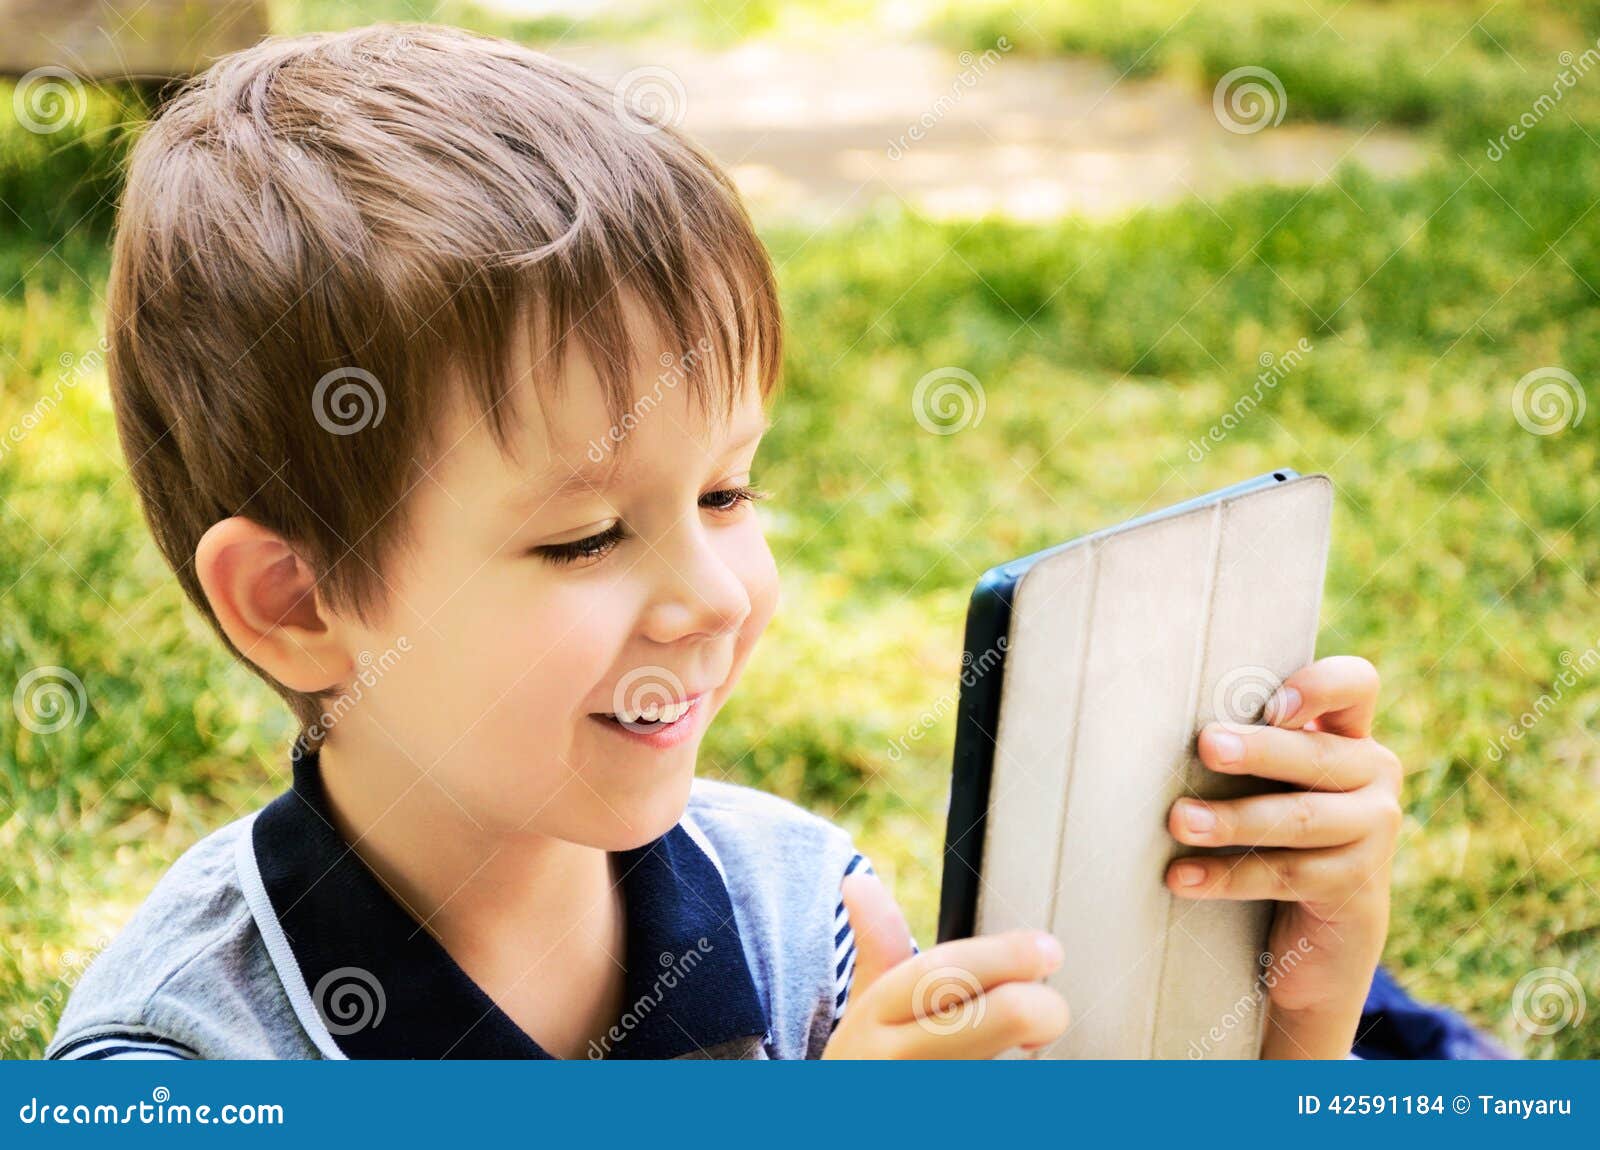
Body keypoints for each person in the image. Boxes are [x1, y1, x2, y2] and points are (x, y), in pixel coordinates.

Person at [48, 23, 1415, 1060]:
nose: (711, 594)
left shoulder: (797, 911)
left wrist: (1287, 1015)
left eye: (726, 493)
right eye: (586, 537)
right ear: (295, 600)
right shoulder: (180, 1058)